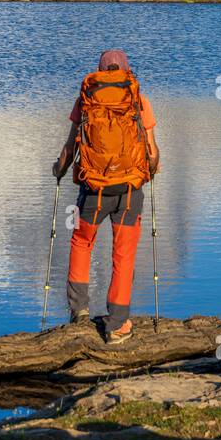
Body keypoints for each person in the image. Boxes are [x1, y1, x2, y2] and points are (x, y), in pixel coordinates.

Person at [53, 49, 159, 344]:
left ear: (100, 72)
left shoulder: (87, 99)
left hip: (93, 189)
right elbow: (151, 152)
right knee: (123, 253)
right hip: (129, 190)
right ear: (126, 71)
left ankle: (79, 311)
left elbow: (70, 148)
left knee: (81, 241)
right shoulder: (138, 100)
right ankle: (116, 325)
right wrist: (151, 170)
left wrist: (58, 170)